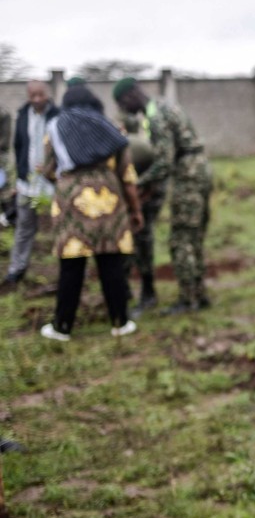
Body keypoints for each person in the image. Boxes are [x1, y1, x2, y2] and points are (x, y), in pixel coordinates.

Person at [38, 84, 143, 341]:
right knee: (111, 262)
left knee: (72, 266)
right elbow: (127, 177)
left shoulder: (54, 129)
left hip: (72, 204)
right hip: (108, 201)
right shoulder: (113, 130)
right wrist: (136, 210)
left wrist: (64, 182)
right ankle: (121, 323)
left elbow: (50, 170)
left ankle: (62, 326)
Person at [113, 78, 212, 314]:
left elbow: (164, 163)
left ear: (130, 96)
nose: (124, 110)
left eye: (122, 104)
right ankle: (199, 295)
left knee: (181, 239)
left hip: (187, 176)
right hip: (200, 169)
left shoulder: (156, 118)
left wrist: (136, 186)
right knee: (194, 236)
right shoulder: (165, 106)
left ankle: (188, 301)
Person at [3, 81, 59, 288]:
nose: (36, 99)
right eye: (32, 95)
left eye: (40, 94)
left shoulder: (57, 115)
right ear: (28, 96)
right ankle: (16, 270)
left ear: (48, 94)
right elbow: (18, 147)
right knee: (24, 227)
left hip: (53, 182)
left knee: (59, 225)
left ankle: (65, 270)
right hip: (28, 183)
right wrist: (20, 176)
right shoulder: (22, 115)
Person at [118, 112, 164, 314]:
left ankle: (146, 292)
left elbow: (149, 181)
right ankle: (130, 291)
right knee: (136, 239)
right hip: (143, 192)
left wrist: (139, 201)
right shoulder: (137, 143)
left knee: (139, 239)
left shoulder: (132, 147)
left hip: (146, 193)